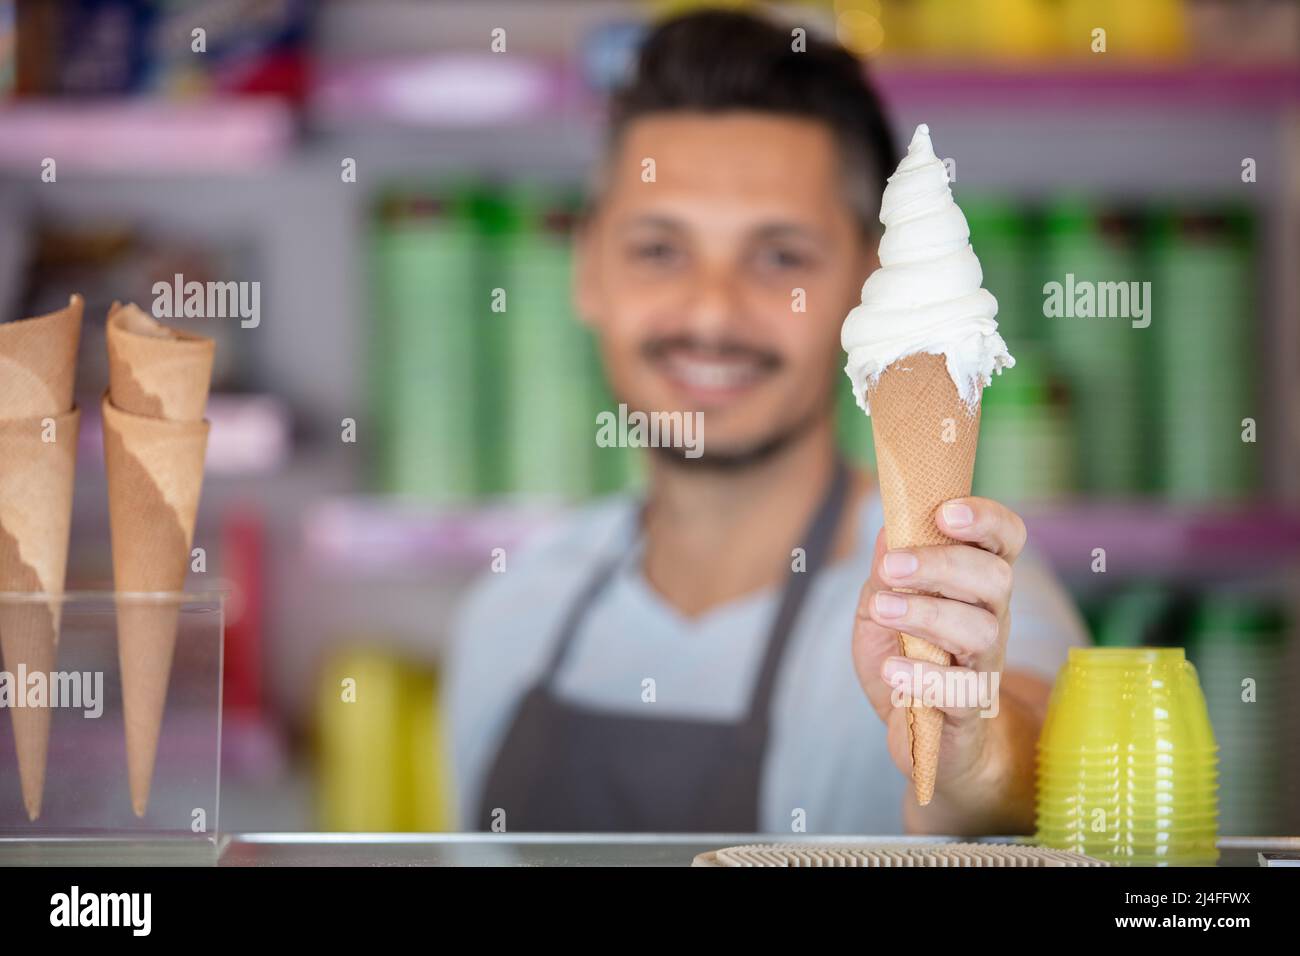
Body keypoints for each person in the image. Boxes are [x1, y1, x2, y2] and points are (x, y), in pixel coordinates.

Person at [447, 8, 1088, 835]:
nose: (713, 313)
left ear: (872, 284)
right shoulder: (509, 613)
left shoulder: (960, 607)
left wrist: (971, 752)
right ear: (589, 270)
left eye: (780, 256)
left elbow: (1020, 763)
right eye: (659, 250)